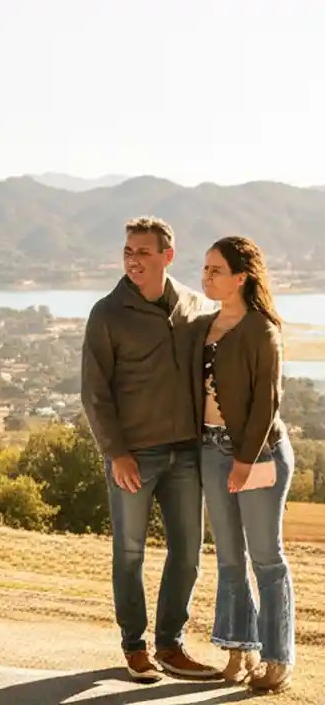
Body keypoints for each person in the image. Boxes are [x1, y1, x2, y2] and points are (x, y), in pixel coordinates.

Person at [81, 216, 220, 682]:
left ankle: (171, 645)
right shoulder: (107, 313)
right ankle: (134, 645)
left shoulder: (195, 307)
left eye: (143, 251)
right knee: (130, 553)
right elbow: (94, 392)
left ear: (167, 255)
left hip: (187, 454)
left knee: (188, 553)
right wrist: (116, 452)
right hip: (134, 457)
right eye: (128, 251)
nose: (133, 259)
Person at [194, 236, 295, 692]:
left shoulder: (261, 330)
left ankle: (277, 660)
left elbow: (266, 404)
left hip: (258, 454)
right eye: (205, 269)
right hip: (209, 451)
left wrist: (242, 459)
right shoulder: (202, 326)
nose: (207, 276)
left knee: (266, 558)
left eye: (216, 269)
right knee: (230, 560)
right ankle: (239, 649)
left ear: (241, 277)